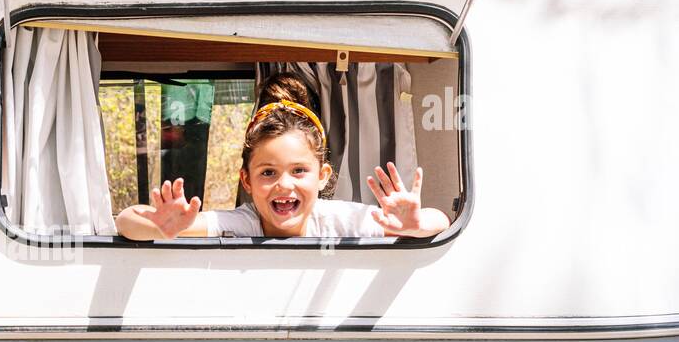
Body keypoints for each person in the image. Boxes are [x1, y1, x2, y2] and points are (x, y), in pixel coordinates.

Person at [115, 99, 450, 240]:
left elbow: (440, 223)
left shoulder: (337, 219)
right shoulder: (242, 223)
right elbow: (126, 223)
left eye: (299, 170)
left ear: (323, 176)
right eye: (268, 173)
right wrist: (160, 227)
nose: (283, 184)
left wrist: (414, 225)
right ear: (246, 180)